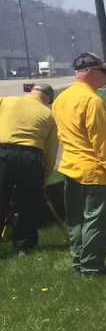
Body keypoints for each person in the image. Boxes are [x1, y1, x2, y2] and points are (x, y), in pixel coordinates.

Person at [53, 53, 106, 275]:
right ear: (91, 72)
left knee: (77, 220)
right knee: (98, 220)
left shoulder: (61, 99)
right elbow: (103, 144)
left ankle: (79, 263)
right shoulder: (92, 101)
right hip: (95, 171)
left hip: (71, 168)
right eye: (104, 72)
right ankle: (93, 267)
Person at [0, 84, 57, 253]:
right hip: (31, 158)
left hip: (2, 153)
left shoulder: (5, 101)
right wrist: (44, 176)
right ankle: (24, 246)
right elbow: (51, 152)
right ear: (47, 99)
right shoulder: (49, 115)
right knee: (28, 204)